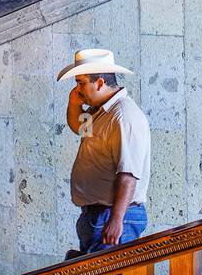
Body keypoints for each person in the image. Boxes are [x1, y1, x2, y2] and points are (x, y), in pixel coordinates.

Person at [58, 48, 150, 255]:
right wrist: (74, 103)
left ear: (99, 83)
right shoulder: (102, 111)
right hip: (99, 214)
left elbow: (128, 174)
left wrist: (116, 220)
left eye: (81, 83)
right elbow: (78, 127)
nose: (78, 89)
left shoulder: (123, 116)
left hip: (115, 215)